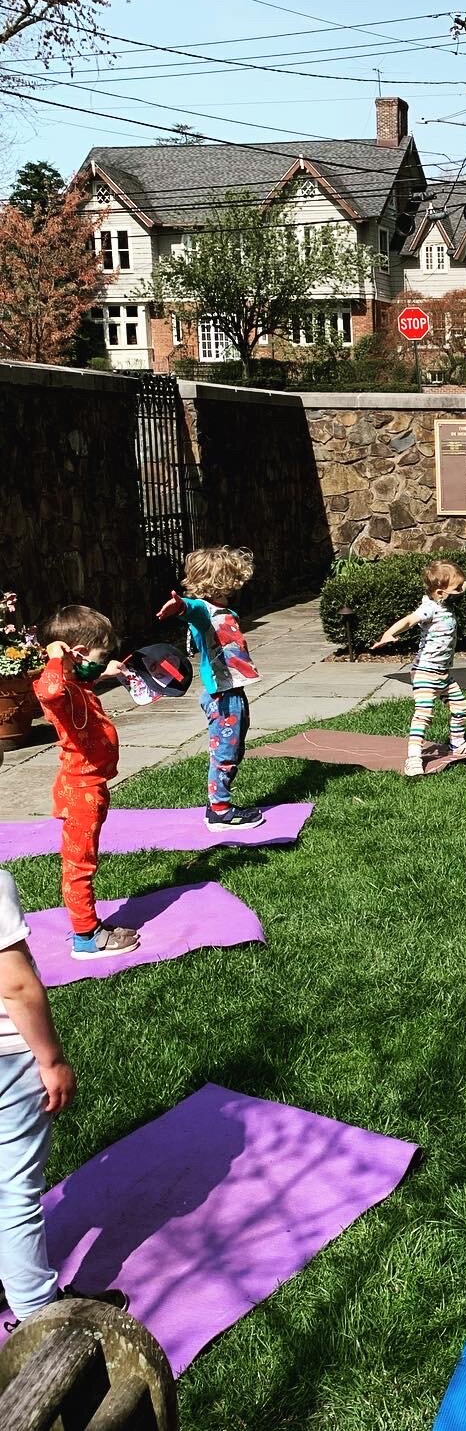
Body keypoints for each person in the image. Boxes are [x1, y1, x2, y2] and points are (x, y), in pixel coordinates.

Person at [0, 871, 129, 1328]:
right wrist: (51, 1059)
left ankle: (9, 1272)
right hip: (7, 1061)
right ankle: (38, 1311)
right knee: (14, 1189)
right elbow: (14, 984)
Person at [33, 608, 138, 959]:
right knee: (79, 865)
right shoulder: (56, 689)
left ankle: (90, 926)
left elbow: (77, 687)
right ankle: (86, 938)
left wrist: (103, 673)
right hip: (80, 791)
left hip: (89, 785)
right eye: (100, 655)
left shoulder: (75, 684)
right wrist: (53, 657)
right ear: (76, 652)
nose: (103, 659)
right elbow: (49, 693)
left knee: (84, 861)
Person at [157, 546, 265, 830]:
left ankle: (217, 802)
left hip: (232, 691)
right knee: (225, 752)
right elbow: (191, 609)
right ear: (223, 580)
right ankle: (220, 812)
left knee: (234, 748)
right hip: (222, 695)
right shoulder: (204, 610)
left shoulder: (223, 611)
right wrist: (180, 606)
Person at [375, 559, 466, 778]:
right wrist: (389, 634)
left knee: (460, 708)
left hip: (443, 673)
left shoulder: (444, 600)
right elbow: (408, 621)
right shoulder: (429, 608)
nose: (459, 591)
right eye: (456, 589)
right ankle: (414, 758)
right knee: (423, 715)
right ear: (440, 592)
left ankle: (457, 744)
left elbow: (458, 589)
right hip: (425, 672)